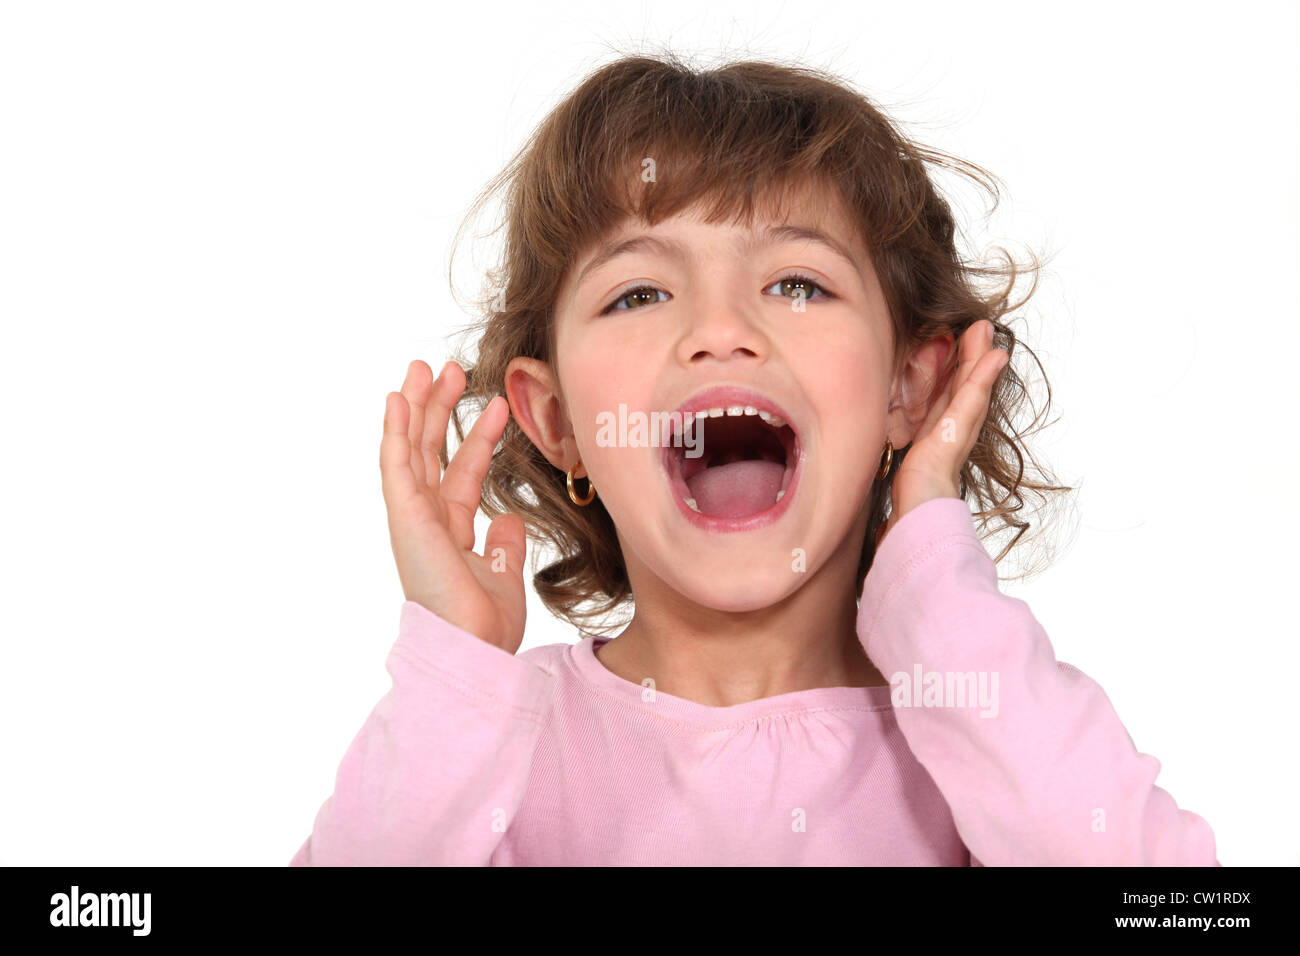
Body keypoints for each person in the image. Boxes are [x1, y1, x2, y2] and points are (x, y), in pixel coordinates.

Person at [289, 52, 1219, 866]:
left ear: (911, 390)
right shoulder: (487, 745)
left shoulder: (976, 734)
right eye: (640, 292)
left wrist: (935, 570)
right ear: (557, 419)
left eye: (797, 283)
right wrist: (452, 673)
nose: (721, 330)